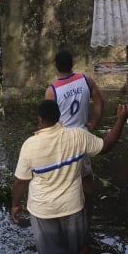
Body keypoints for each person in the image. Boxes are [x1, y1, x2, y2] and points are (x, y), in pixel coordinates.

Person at [10, 99, 128, 254]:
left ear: (40, 120)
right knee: (80, 244)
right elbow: (106, 145)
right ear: (59, 117)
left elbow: (20, 181)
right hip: (72, 205)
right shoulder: (78, 136)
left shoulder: (29, 145)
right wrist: (121, 120)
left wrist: (15, 205)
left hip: (42, 210)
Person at [44, 48, 105, 194]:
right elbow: (99, 102)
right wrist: (94, 123)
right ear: (72, 63)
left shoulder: (52, 91)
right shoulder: (86, 80)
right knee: (86, 176)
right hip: (81, 136)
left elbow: (48, 121)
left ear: (55, 65)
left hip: (61, 138)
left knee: (62, 176)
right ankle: (88, 203)